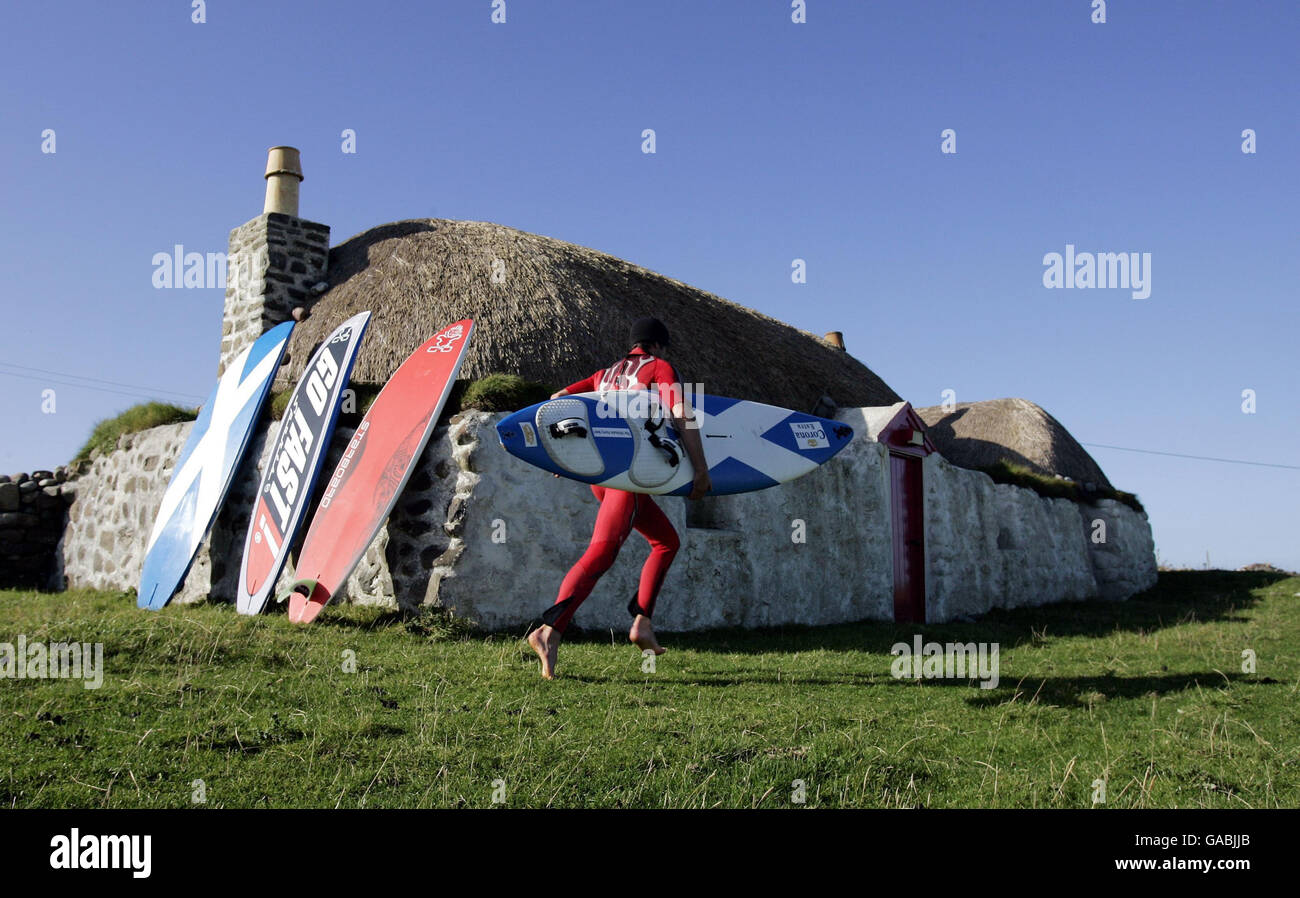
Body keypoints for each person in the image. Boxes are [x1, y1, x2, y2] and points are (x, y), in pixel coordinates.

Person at [527, 317, 710, 679]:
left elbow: (557, 401)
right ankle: (549, 631)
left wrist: (561, 454)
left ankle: (642, 622)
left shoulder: (604, 375)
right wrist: (701, 470)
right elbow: (680, 411)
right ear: (657, 344)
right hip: (629, 474)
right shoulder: (658, 367)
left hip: (604, 475)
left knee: (666, 541)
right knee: (603, 550)